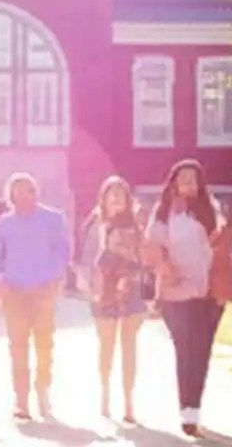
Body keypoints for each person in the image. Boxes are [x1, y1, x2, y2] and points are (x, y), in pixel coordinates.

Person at [143, 159, 232, 437]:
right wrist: (163, 268)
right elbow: (151, 246)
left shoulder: (213, 209)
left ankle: (194, 409)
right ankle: (186, 410)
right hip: (176, 293)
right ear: (173, 182)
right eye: (182, 178)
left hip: (209, 293)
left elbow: (223, 245)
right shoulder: (164, 213)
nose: (187, 183)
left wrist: (225, 280)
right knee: (185, 351)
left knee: (202, 352)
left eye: (193, 178)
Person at [0, 172, 70, 421]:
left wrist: (54, 279)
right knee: (17, 348)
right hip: (13, 292)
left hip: (43, 291)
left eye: (30, 190)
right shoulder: (3, 223)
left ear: (36, 192)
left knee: (45, 345)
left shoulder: (52, 219)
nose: (25, 195)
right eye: (19, 190)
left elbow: (63, 250)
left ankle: (43, 392)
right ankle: (21, 400)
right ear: (11, 195)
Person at [85, 176, 145, 423]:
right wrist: (88, 286)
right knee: (106, 346)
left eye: (122, 192)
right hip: (103, 290)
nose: (118, 196)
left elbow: (144, 257)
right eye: (113, 192)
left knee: (129, 346)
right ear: (105, 197)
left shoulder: (137, 225)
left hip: (130, 288)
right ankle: (104, 394)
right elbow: (85, 257)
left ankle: (129, 402)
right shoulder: (94, 224)